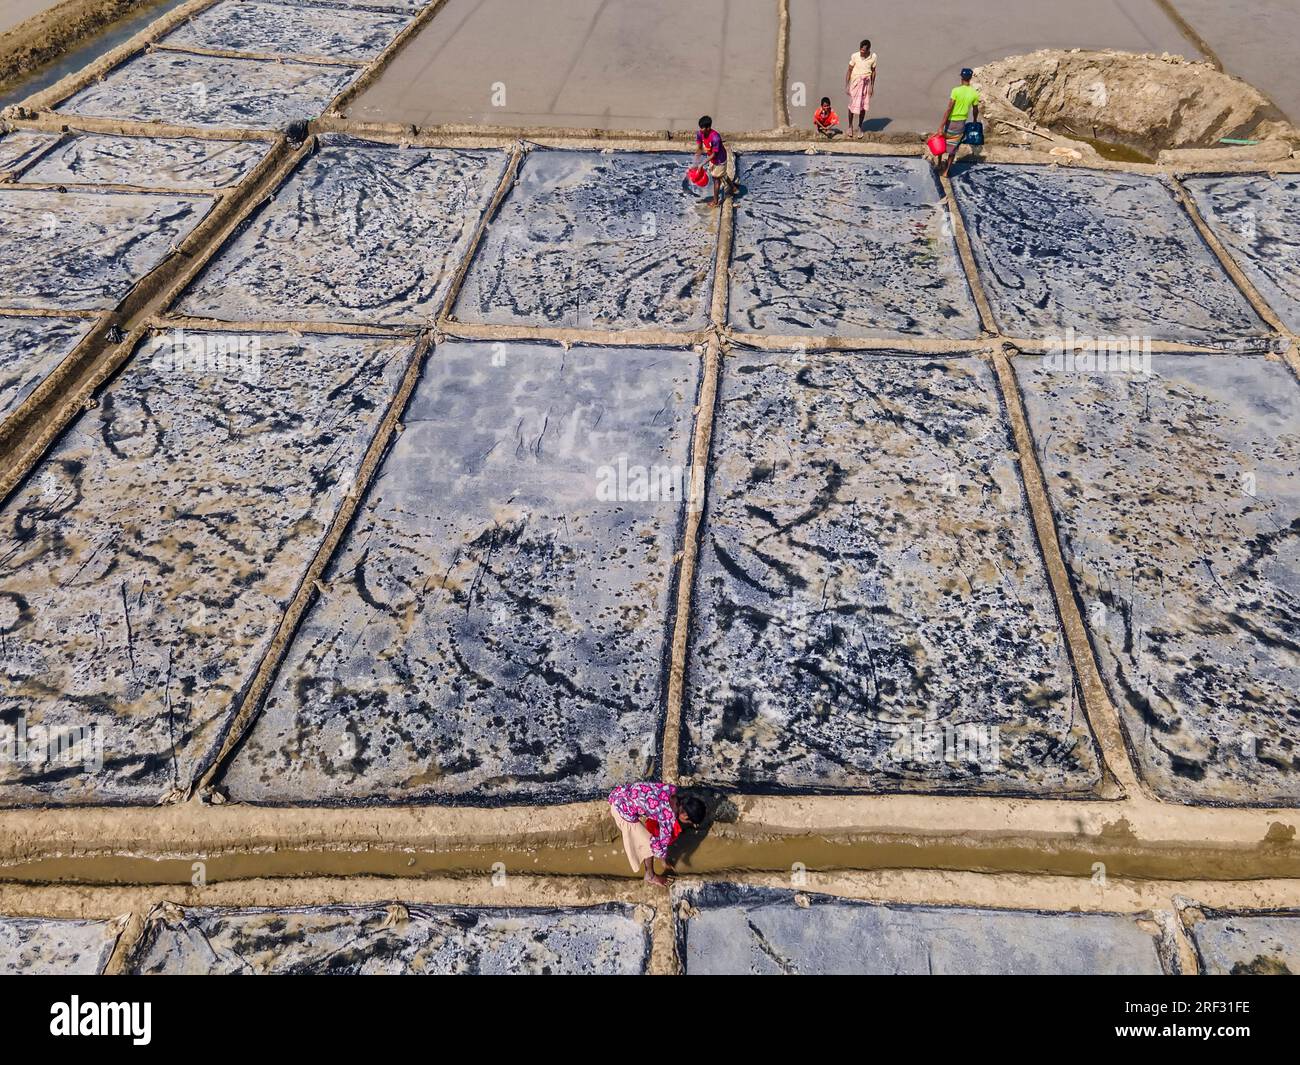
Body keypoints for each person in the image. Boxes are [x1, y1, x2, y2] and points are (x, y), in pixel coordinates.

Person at [608, 780, 705, 885]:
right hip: (622, 812)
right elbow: (658, 849)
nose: (688, 823)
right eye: (689, 822)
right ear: (685, 816)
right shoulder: (668, 817)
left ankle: (615, 809)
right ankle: (650, 876)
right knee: (648, 845)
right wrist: (664, 860)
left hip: (618, 794)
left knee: (652, 838)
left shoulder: (671, 790)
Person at [936, 67, 980, 176]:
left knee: (942, 141)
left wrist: (941, 125)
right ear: (970, 78)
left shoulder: (956, 90)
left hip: (951, 121)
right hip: (961, 123)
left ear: (961, 78)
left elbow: (949, 108)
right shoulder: (974, 93)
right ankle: (946, 171)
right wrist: (974, 121)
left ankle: (939, 164)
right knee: (953, 147)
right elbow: (975, 110)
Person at [694, 116, 737, 207]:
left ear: (708, 128)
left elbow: (714, 154)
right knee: (723, 175)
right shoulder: (700, 133)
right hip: (711, 158)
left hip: (719, 159)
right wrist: (696, 158)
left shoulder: (715, 138)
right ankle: (733, 187)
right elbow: (699, 146)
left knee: (716, 180)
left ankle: (716, 202)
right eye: (700, 127)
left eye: (703, 128)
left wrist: (702, 163)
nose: (701, 130)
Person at [844, 39, 877, 138]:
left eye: (864, 51)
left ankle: (860, 127)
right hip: (855, 83)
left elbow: (874, 71)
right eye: (861, 50)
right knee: (852, 106)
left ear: (868, 50)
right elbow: (849, 70)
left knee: (863, 107)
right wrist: (847, 85)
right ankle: (850, 126)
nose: (862, 52)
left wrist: (872, 86)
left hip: (866, 84)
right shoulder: (854, 56)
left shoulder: (873, 57)